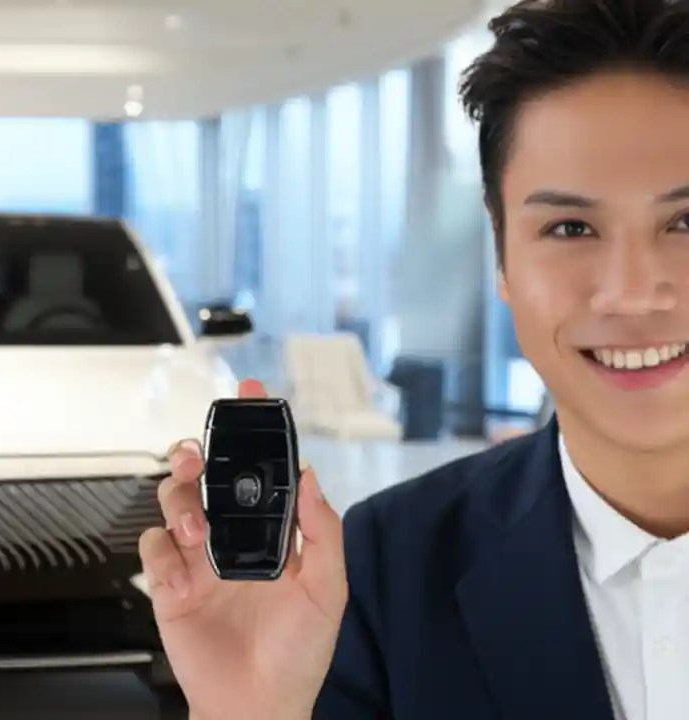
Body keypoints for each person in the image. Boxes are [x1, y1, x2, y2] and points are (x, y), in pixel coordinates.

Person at [138, 1, 689, 718]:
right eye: (570, 227)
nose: (631, 292)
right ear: (501, 257)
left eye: (684, 221)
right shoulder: (381, 574)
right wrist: (252, 708)